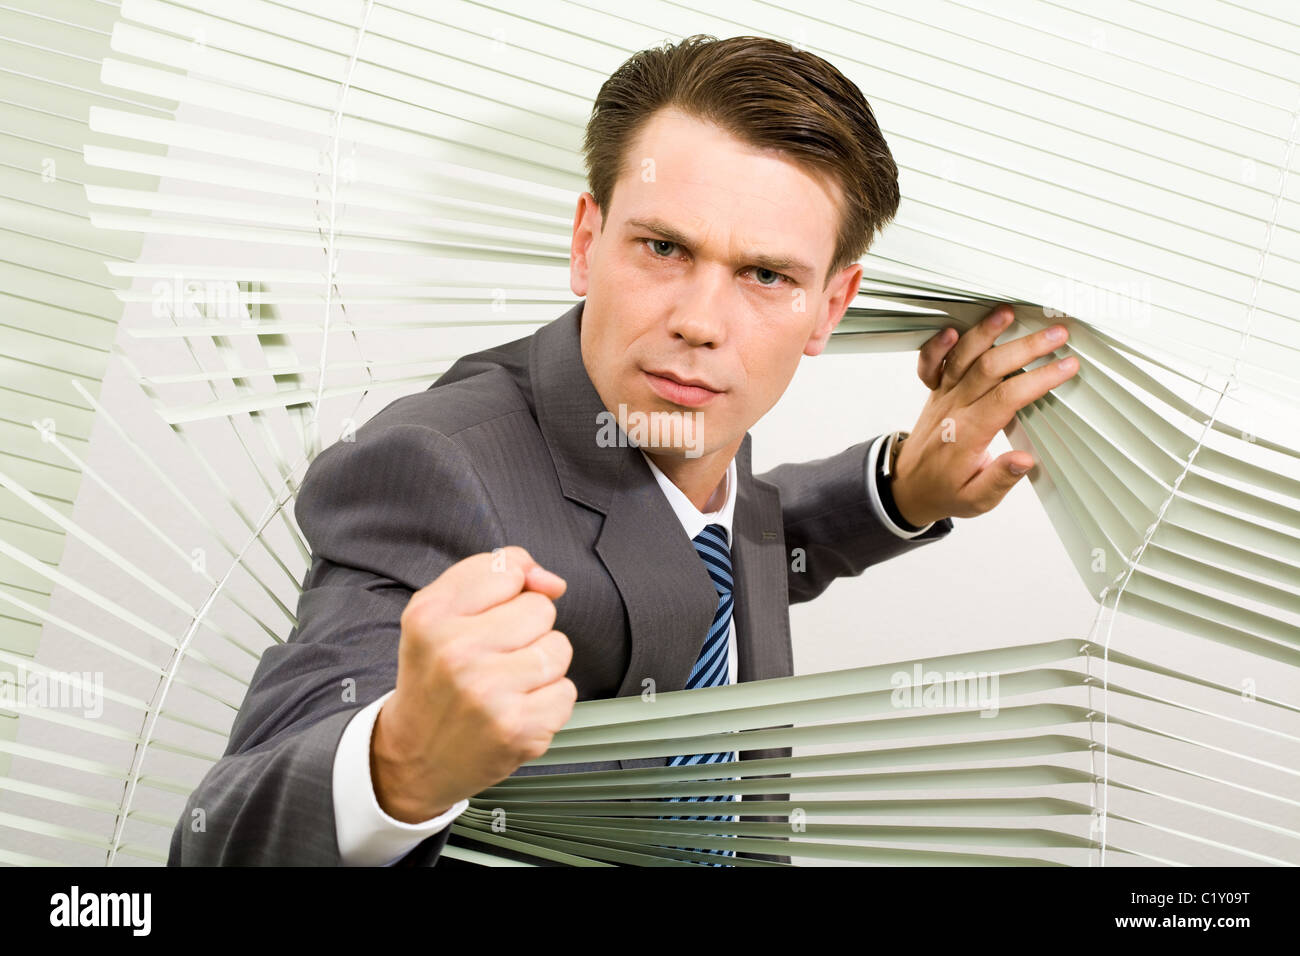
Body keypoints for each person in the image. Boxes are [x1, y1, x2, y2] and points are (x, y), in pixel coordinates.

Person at [168, 34, 1077, 867]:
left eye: (766, 276)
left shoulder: (691, 436)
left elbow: (710, 546)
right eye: (664, 248)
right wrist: (398, 760)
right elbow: (219, 839)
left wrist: (899, 489)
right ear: (587, 241)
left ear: (829, 308)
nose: (700, 322)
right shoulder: (437, 467)